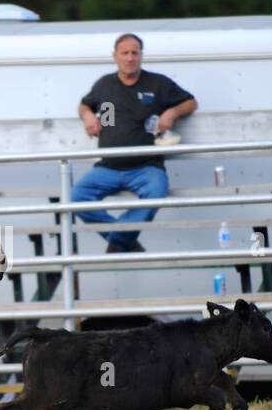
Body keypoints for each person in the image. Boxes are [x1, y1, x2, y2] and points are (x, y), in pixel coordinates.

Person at [73, 33, 197, 253]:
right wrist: (87, 116)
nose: (130, 58)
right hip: (108, 167)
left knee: (157, 192)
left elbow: (191, 102)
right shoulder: (104, 85)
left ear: (141, 55)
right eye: (125, 53)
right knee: (76, 198)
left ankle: (118, 241)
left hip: (146, 167)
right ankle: (124, 239)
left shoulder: (158, 83)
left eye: (134, 53)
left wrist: (172, 112)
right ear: (115, 56)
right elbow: (84, 104)